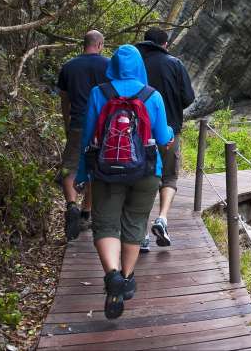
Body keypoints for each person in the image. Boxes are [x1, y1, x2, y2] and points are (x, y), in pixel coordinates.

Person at [75, 45, 174, 319]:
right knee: (134, 224)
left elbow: (87, 138)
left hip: (106, 171)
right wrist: (170, 134)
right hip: (145, 172)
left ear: (113, 65)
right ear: (140, 66)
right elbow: (164, 139)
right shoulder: (152, 96)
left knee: (105, 223)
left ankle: (112, 275)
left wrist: (83, 174)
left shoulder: (99, 93)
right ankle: (126, 277)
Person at [135, 28, 195, 250]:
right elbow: (188, 98)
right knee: (168, 177)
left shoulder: (135, 62)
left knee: (141, 179)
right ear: (165, 44)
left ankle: (141, 234)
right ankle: (162, 218)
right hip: (169, 131)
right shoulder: (174, 64)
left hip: (137, 133)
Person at [55, 30, 109, 241]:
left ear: (83, 44)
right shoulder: (108, 65)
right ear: (100, 45)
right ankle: (86, 213)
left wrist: (67, 124)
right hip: (101, 127)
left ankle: (71, 206)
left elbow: (64, 100)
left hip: (78, 124)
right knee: (94, 169)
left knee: (70, 167)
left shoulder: (69, 66)